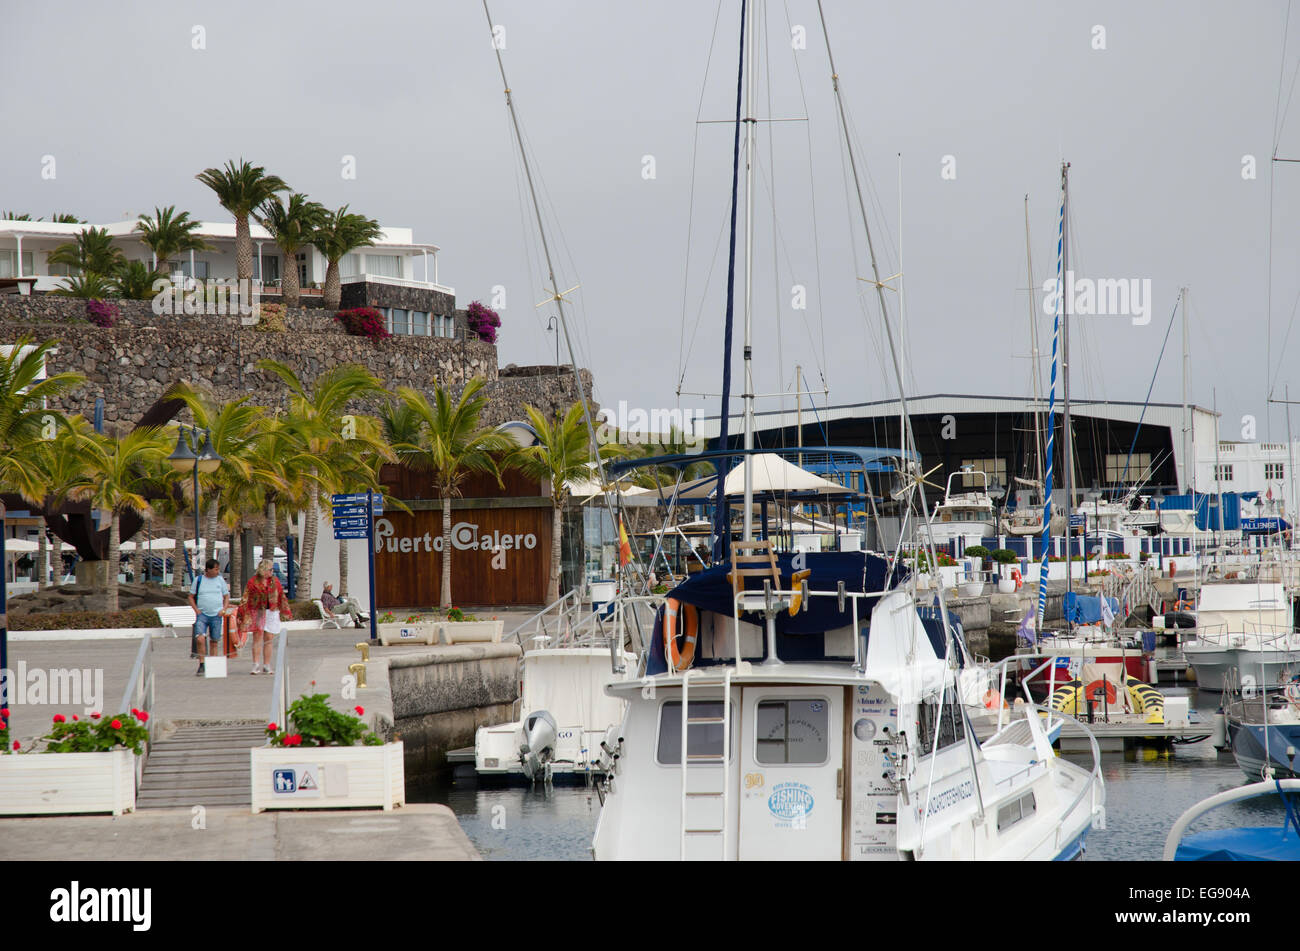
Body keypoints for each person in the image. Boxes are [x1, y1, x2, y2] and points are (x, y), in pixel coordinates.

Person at [237, 559, 293, 675]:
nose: (272, 571)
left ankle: (267, 665)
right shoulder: (253, 582)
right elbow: (246, 598)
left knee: (269, 639)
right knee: (257, 638)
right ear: (264, 570)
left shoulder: (274, 581)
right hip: (257, 612)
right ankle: (256, 664)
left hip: (271, 612)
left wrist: (286, 611)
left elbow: (281, 596)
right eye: (271, 569)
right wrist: (242, 614)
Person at [188, 558, 230, 676]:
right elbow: (191, 596)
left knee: (214, 641)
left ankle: (213, 665)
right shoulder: (199, 580)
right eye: (216, 569)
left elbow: (226, 596)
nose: (218, 571)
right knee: (200, 638)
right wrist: (196, 610)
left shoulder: (220, 580)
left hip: (216, 614)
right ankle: (202, 663)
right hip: (202, 615)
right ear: (208, 569)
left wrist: (224, 609)